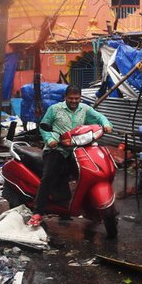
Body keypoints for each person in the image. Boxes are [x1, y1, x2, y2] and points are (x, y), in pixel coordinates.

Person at [28, 85, 113, 226]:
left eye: (77, 98)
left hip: (77, 150)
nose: (74, 101)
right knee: (48, 177)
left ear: (80, 98)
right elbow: (44, 126)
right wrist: (50, 139)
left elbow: (99, 117)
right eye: (71, 98)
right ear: (65, 97)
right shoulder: (55, 109)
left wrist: (106, 124)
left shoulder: (84, 109)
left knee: (89, 174)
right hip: (57, 149)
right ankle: (38, 211)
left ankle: (89, 208)